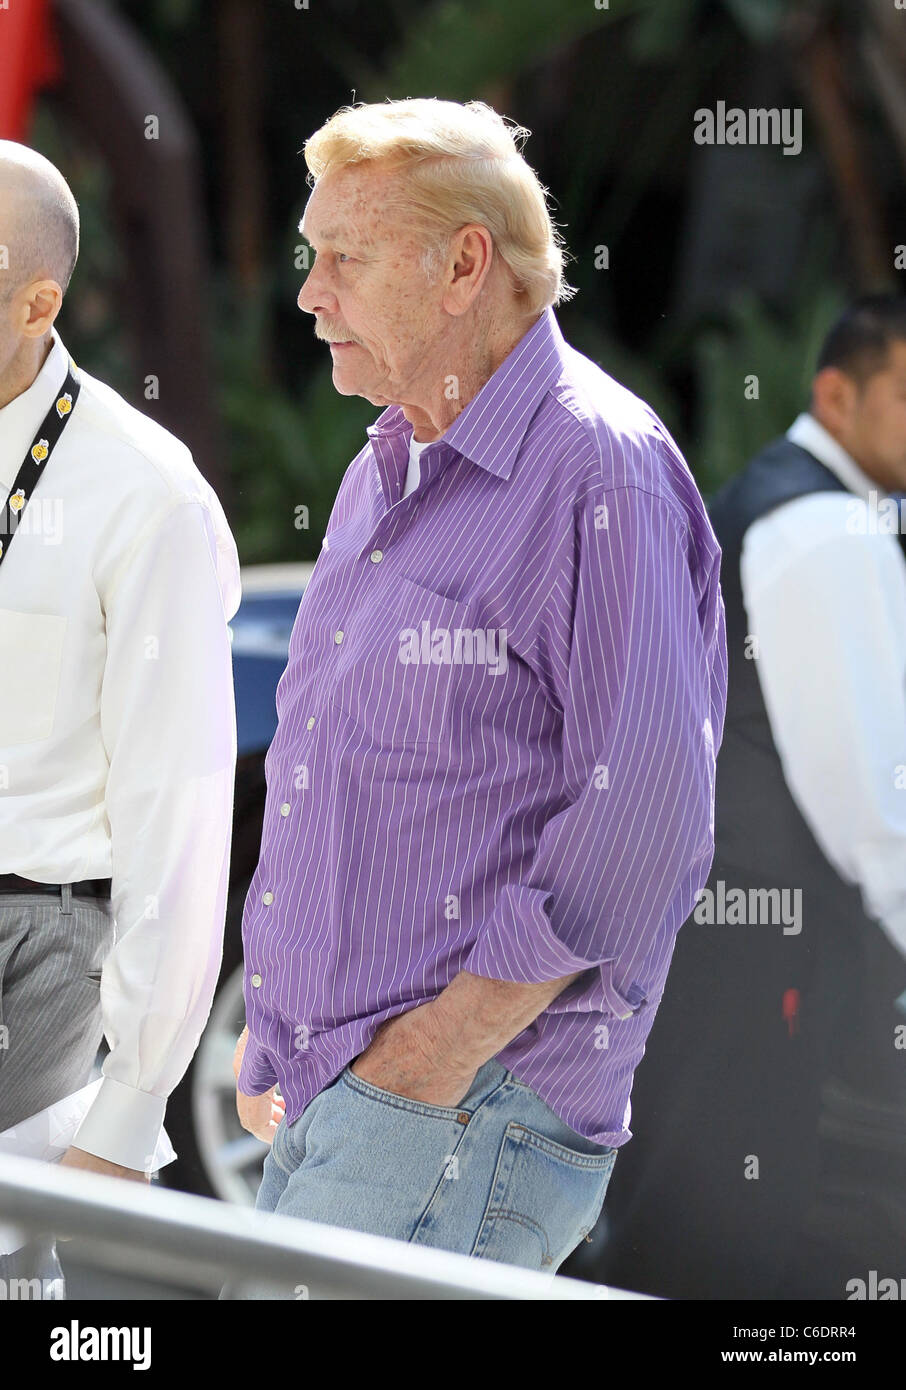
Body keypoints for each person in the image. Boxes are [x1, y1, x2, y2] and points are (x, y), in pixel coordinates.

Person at [226, 97, 727, 1297]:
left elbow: (644, 830)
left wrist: (424, 1065)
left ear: (464, 265)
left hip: (457, 1117)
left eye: (343, 256)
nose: (311, 294)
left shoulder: (600, 466)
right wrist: (284, 1023)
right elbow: (330, 761)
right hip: (364, 1102)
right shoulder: (386, 458)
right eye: (312, 257)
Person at [593, 296, 906, 1300]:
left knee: (693, 1199)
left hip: (717, 921)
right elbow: (867, 794)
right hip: (756, 928)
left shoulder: (797, 504)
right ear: (836, 393)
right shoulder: (820, 525)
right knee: (722, 1221)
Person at [0, 141, 240, 1296]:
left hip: (32, 964)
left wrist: (131, 1108)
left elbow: (179, 813)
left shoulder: (144, 493)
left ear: (36, 303)